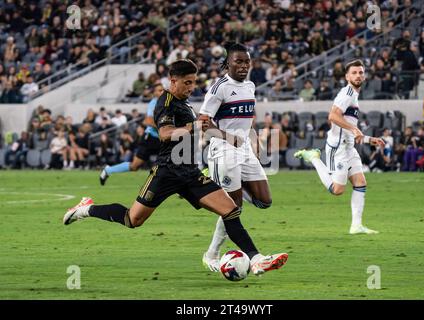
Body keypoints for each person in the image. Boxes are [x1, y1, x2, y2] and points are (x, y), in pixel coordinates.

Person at [63, 59, 288, 276]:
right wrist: (192, 126)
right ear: (173, 81)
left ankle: (257, 259)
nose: (192, 87)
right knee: (132, 220)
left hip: (190, 173)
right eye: (187, 82)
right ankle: (86, 209)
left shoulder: (185, 103)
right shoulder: (166, 103)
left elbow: (203, 128)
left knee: (230, 210)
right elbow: (166, 134)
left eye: (194, 82)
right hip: (167, 173)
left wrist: (229, 138)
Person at [198, 43, 276, 272]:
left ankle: (221, 184)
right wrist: (228, 137)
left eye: (246, 62)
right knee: (233, 208)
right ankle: (213, 254)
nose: (243, 66)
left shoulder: (250, 86)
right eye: (238, 61)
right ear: (228, 63)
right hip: (223, 150)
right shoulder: (219, 87)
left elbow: (247, 119)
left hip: (244, 150)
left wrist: (254, 141)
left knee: (264, 201)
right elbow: (203, 122)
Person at [294, 59, 385, 234]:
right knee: (337, 190)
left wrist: (367, 139)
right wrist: (355, 128)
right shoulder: (347, 93)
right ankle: (313, 158)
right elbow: (333, 116)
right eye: (354, 73)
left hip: (349, 147)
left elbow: (349, 126)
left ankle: (356, 226)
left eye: (360, 72)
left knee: (360, 182)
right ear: (347, 76)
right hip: (338, 149)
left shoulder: (354, 95)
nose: (358, 75)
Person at [99, 83, 164, 185]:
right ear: (154, 93)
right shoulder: (154, 103)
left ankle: (179, 188)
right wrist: (164, 128)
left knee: (172, 162)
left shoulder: (167, 103)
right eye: (159, 90)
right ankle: (108, 170)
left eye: (163, 90)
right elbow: (149, 121)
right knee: (134, 166)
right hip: (150, 138)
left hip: (162, 139)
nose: (162, 92)